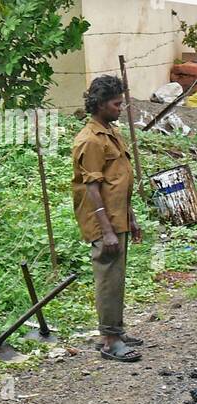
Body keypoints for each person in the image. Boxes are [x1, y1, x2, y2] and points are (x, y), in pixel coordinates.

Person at [72, 74, 144, 364]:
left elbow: (118, 182)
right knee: (108, 277)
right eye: (116, 103)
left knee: (117, 276)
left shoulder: (110, 131)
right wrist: (108, 230)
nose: (120, 107)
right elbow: (92, 187)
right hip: (104, 222)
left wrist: (131, 217)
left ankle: (116, 331)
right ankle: (109, 340)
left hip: (117, 217)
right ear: (101, 104)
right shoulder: (90, 140)